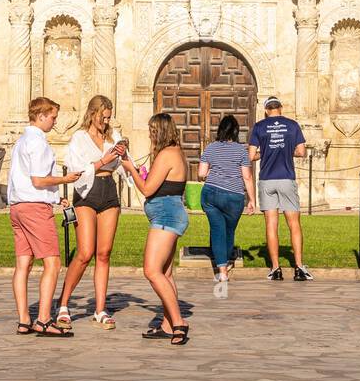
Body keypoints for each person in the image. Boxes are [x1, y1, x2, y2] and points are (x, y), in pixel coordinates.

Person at [7, 97, 80, 338]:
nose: (54, 121)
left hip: (19, 205)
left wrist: (56, 197)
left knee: (23, 264)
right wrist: (64, 180)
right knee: (52, 263)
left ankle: (24, 319)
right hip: (35, 208)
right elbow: (38, 179)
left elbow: (27, 179)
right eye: (53, 117)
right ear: (41, 116)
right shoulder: (37, 142)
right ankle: (44, 318)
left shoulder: (20, 142)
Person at [56, 95, 126, 330]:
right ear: (93, 113)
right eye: (102, 117)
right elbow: (76, 169)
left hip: (109, 190)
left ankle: (100, 309)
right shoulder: (79, 137)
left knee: (104, 253)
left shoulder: (112, 136)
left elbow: (120, 164)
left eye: (108, 118)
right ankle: (64, 304)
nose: (105, 122)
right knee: (85, 252)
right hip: (87, 193)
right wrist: (102, 160)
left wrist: (121, 154)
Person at [121, 113, 189, 345]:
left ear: (159, 131)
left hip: (166, 216)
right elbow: (158, 183)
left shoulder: (167, 154)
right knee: (166, 274)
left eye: (152, 131)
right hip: (168, 214)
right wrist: (139, 170)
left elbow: (148, 190)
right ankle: (168, 324)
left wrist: (130, 168)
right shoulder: (174, 152)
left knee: (151, 271)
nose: (149, 135)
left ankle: (179, 322)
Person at [248, 97, 310, 281]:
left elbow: (251, 155)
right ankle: (299, 267)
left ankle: (276, 268)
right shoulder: (292, 125)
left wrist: (265, 152)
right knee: (294, 224)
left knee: (271, 225)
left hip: (267, 179)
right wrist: (285, 150)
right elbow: (301, 151)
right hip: (286, 178)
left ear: (266, 110)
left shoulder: (259, 127)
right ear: (280, 109)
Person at [198, 114, 256, 282]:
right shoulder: (241, 150)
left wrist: (212, 173)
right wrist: (252, 200)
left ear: (220, 130)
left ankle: (222, 271)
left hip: (211, 194)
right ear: (236, 132)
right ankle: (226, 264)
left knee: (217, 230)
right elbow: (247, 177)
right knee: (229, 231)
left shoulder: (210, 148)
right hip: (234, 196)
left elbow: (201, 174)